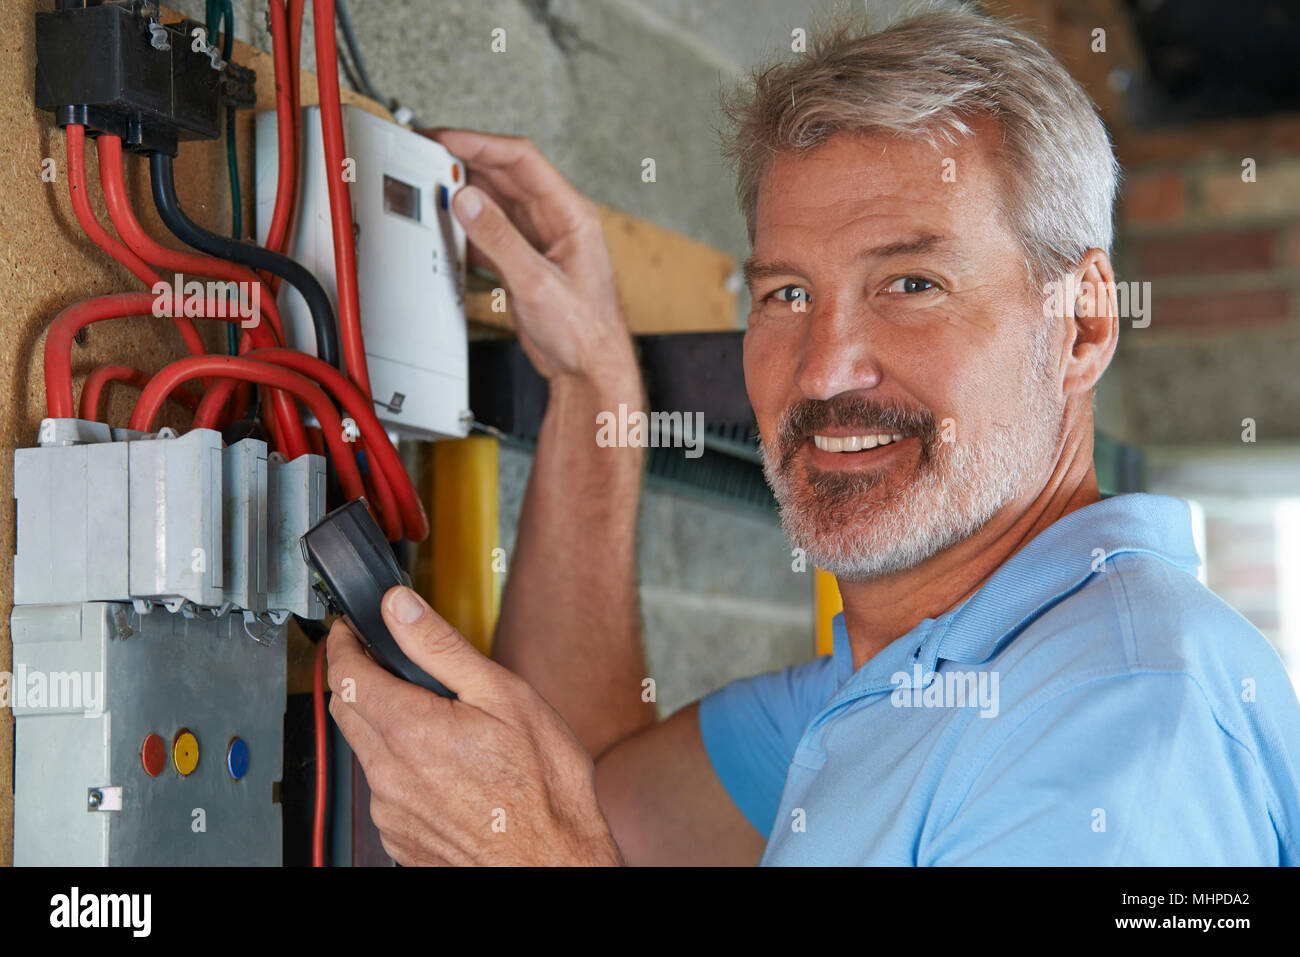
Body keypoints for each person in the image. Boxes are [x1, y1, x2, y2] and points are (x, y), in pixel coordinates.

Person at [325, 7, 1300, 865]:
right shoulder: (902, 684)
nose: (826, 368)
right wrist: (592, 387)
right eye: (787, 293)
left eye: (910, 285)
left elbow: (561, 840)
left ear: (1081, 323)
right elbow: (598, 797)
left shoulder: (1118, 720)